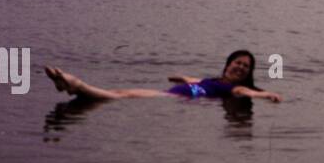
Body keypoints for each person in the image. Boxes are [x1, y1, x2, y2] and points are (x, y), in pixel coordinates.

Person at [44, 49, 282, 102]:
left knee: (121, 96)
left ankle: (75, 84)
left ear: (247, 74)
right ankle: (66, 84)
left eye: (245, 67)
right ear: (227, 65)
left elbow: (249, 92)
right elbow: (195, 80)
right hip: (170, 92)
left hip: (170, 99)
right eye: (237, 63)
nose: (240, 67)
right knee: (119, 93)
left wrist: (268, 94)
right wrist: (182, 77)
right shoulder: (213, 81)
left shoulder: (234, 89)